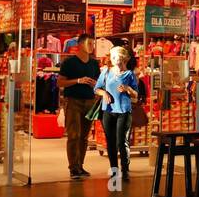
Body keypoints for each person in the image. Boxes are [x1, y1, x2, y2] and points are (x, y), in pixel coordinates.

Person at [57, 33, 100, 179]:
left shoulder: (94, 63)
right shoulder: (69, 62)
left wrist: (96, 84)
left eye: (93, 44)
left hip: (89, 101)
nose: (92, 47)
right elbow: (60, 82)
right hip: (73, 101)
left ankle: (80, 165)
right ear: (80, 45)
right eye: (89, 44)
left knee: (84, 137)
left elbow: (99, 83)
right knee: (74, 135)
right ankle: (73, 167)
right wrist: (78, 81)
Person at [96, 46, 139, 181]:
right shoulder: (106, 72)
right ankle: (114, 171)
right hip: (108, 110)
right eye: (113, 57)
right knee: (111, 142)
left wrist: (128, 89)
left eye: (118, 58)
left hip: (124, 110)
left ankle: (125, 170)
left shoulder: (129, 74)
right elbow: (96, 88)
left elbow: (136, 95)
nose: (115, 60)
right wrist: (104, 93)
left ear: (124, 59)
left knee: (122, 141)